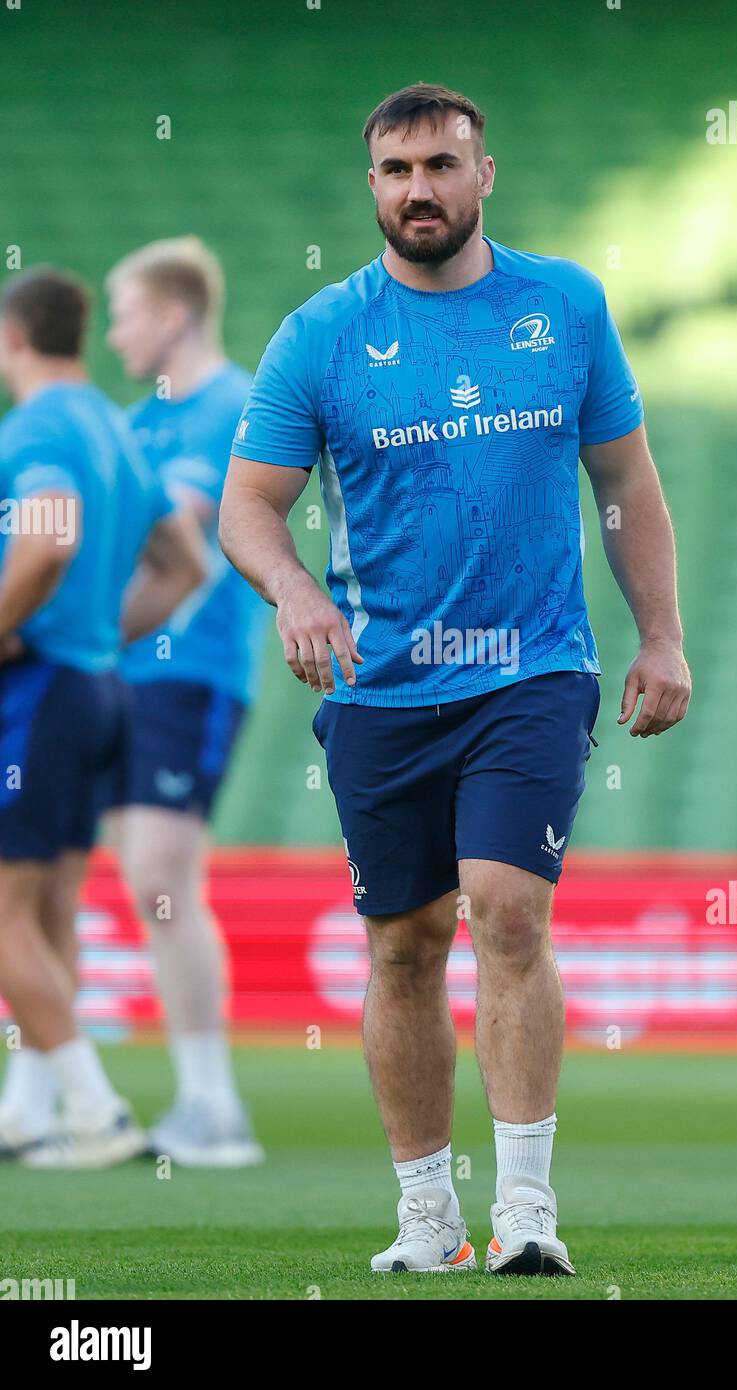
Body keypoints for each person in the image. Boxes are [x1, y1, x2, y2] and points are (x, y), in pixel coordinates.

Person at [219, 83, 691, 1274]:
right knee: (400, 947)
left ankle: (526, 1208)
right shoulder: (321, 333)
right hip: (378, 688)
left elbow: (625, 482)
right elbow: (248, 508)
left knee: (507, 912)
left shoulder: (566, 307)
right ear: (371, 186)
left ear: (487, 175)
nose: (417, 189)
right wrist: (296, 589)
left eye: (440, 165)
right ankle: (428, 1217)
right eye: (394, 171)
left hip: (531, 668)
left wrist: (664, 634)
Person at [0, 266, 205, 1166]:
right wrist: (96, 636)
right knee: (48, 914)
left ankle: (94, 1109)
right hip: (99, 689)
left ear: (12, 338)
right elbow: (185, 567)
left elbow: (48, 540)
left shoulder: (39, 424)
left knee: (7, 913)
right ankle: (27, 1114)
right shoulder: (116, 430)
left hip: (40, 690)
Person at [105, 237, 268, 1166]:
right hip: (116, 675)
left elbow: (184, 543)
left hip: (188, 670)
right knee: (98, 879)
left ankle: (213, 1105)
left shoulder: (234, 408)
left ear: (172, 314)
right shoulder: (135, 420)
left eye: (127, 311)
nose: (117, 331)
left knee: (164, 882)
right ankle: (44, 1090)